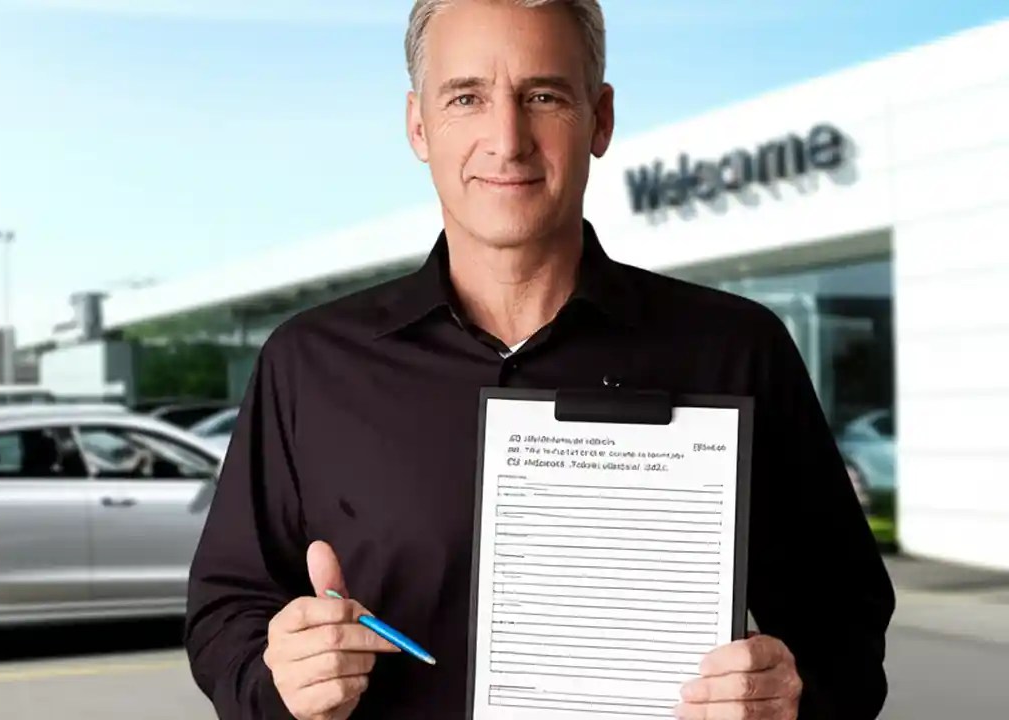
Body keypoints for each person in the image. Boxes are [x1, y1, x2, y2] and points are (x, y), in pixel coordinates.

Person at [184, 0, 896, 718]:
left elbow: (846, 625)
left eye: (544, 97)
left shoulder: (736, 351)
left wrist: (792, 695)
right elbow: (226, 611)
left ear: (600, 119)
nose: (507, 139)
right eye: (466, 98)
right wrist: (278, 682)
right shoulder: (310, 364)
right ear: (418, 125)